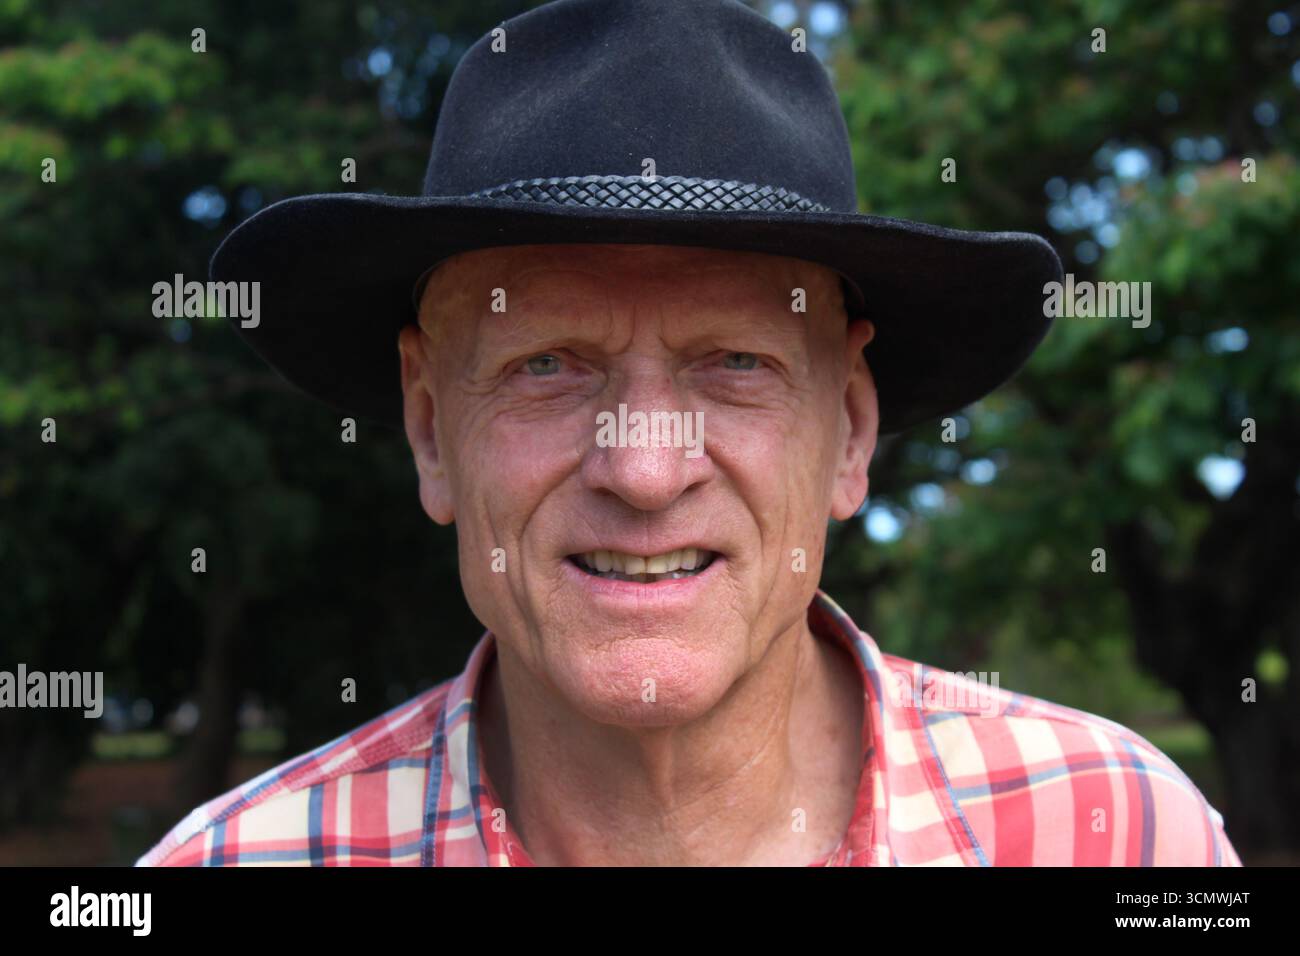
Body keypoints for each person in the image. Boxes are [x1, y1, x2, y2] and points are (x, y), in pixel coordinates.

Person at [139, 0, 1239, 866]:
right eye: (547, 364)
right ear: (431, 429)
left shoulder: (1116, 833)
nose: (646, 468)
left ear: (850, 428)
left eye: (735, 363)